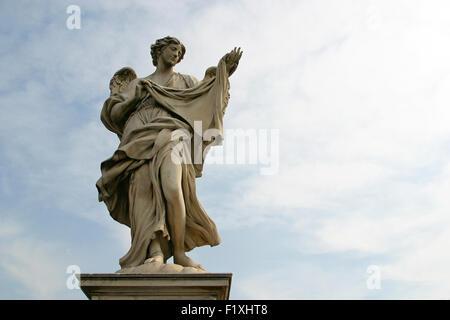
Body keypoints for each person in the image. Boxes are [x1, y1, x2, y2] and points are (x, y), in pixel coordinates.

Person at [96, 36, 242, 271]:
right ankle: (154, 251)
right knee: (145, 195)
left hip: (173, 135)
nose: (176, 54)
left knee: (173, 188)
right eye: (172, 49)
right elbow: (114, 114)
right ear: (159, 51)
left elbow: (208, 99)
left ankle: (179, 252)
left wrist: (223, 73)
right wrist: (134, 97)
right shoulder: (138, 84)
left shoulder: (185, 81)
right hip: (138, 137)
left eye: (179, 52)